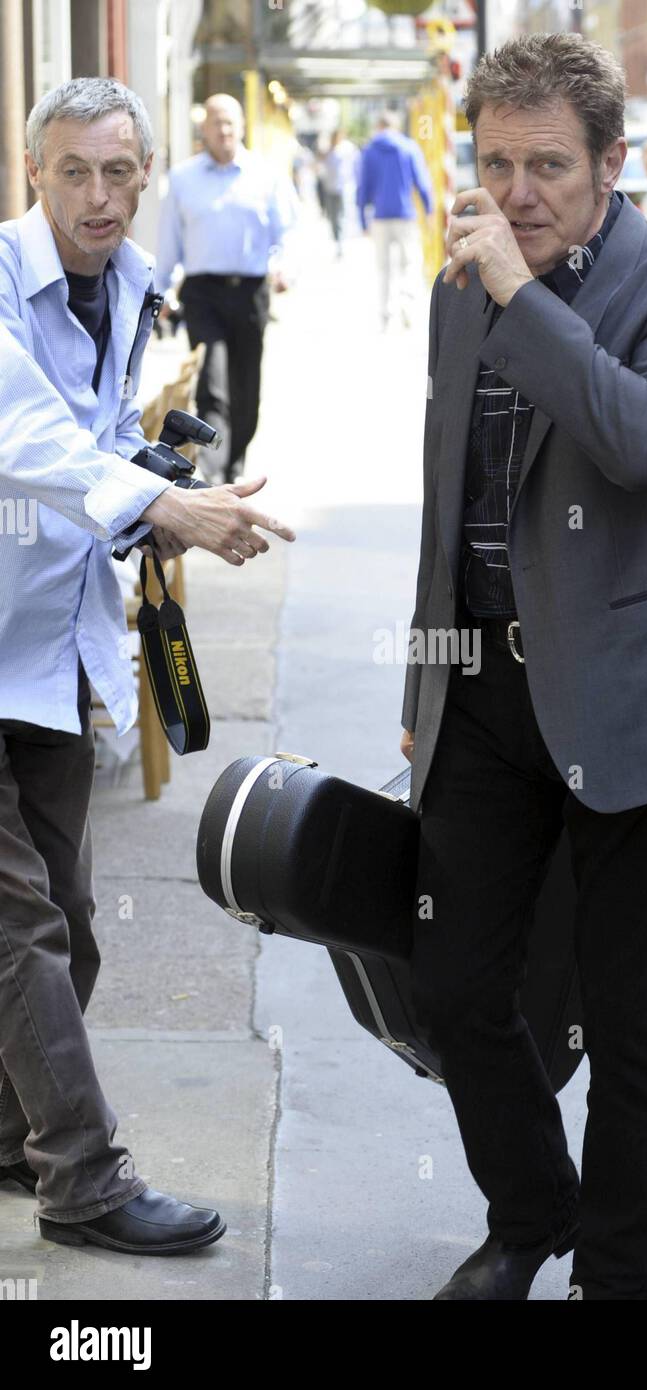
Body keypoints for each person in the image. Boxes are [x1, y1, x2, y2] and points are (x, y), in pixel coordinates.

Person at [399, 32, 647, 1301]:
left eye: (548, 165)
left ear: (615, 163)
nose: (516, 193)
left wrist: (521, 296)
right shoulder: (468, 283)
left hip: (637, 698)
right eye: (496, 162)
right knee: (450, 982)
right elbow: (445, 495)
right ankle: (533, 1208)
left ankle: (617, 1274)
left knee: (629, 1014)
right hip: (487, 697)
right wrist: (427, 687)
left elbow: (637, 440)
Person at [0, 77, 295, 1256]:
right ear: (35, 175)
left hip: (45, 650)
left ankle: (12, 1127)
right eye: (74, 170)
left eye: (120, 170)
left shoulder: (129, 285)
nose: (99, 193)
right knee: (21, 924)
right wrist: (163, 503)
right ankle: (84, 1175)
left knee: (67, 913)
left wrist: (152, 479)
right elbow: (25, 440)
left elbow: (87, 442)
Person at [155, 93, 298, 484]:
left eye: (230, 122)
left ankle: (234, 461)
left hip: (251, 292)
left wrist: (283, 268)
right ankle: (214, 473)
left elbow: (286, 233)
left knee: (246, 389)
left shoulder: (265, 175)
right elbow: (169, 241)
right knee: (212, 383)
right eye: (216, 122)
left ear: (242, 127)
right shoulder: (184, 180)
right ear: (204, 129)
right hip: (201, 293)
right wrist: (161, 291)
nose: (224, 130)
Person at [357, 110, 434, 330]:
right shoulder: (409, 147)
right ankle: (406, 304)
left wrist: (363, 220)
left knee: (383, 267)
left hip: (380, 217)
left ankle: (386, 313)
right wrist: (428, 211)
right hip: (405, 215)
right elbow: (422, 182)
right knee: (409, 263)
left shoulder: (370, 150)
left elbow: (363, 188)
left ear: (379, 126)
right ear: (396, 126)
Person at [320, 129, 360, 257]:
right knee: (332, 216)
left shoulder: (348, 149)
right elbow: (323, 167)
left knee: (342, 215)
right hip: (330, 188)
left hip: (344, 188)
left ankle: (342, 244)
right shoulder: (329, 150)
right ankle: (338, 240)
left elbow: (356, 166)